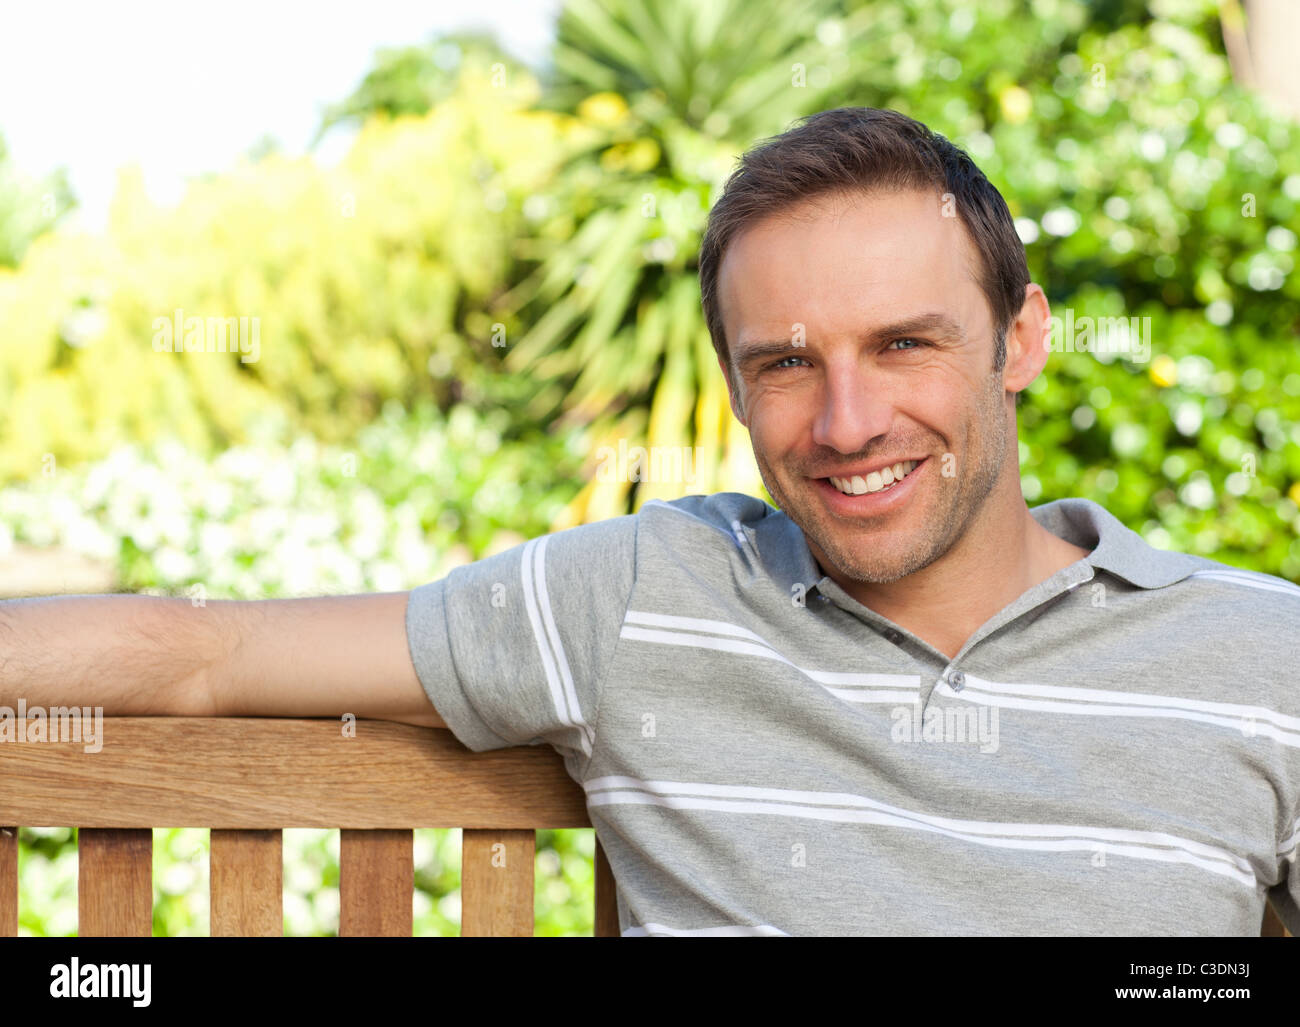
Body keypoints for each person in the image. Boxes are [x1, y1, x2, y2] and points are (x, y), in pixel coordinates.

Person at [3, 107, 1297, 937]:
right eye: (786, 364)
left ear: (1021, 340)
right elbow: (207, 652)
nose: (847, 422)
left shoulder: (1261, 660)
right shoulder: (647, 596)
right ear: (732, 383)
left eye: (904, 344)